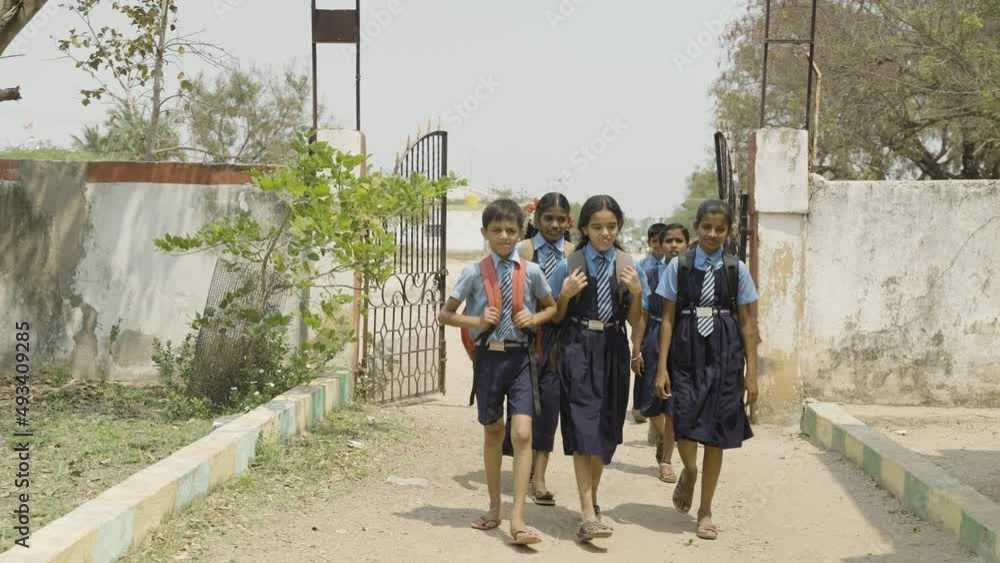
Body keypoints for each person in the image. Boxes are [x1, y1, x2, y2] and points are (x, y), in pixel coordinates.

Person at [438, 199, 557, 545]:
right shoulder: (474, 273)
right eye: (496, 230)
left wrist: (533, 318)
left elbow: (551, 308)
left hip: (521, 359)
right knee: (493, 430)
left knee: (522, 433)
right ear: (484, 233)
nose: (504, 236)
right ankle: (495, 507)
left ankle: (517, 518)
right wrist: (476, 320)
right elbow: (445, 315)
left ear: (520, 233)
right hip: (489, 359)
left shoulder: (532, 272)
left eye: (510, 230)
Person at [654, 199, 759, 541]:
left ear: (729, 232)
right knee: (683, 425)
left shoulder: (735, 269)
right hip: (686, 352)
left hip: (726, 354)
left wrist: (752, 373)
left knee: (717, 435)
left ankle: (705, 510)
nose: (712, 234)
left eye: (720, 229)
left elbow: (747, 324)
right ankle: (689, 469)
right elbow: (667, 320)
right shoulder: (680, 266)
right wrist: (661, 369)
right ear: (696, 227)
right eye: (706, 227)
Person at [548, 195, 644, 541]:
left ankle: (592, 499)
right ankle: (587, 512)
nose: (605, 233)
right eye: (597, 227)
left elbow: (635, 321)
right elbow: (557, 317)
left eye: (611, 227)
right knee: (582, 425)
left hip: (613, 348)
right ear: (584, 228)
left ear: (619, 228)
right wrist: (565, 294)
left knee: (606, 428)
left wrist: (636, 293)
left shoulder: (626, 263)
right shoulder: (570, 263)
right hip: (578, 346)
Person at [502, 193, 574, 507]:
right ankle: (523, 463)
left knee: (550, 404)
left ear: (569, 222)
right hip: (524, 336)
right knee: (522, 404)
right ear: (537, 219)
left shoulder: (574, 254)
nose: (555, 225)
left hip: (560, 339)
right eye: (549, 219)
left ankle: (539, 476)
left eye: (561, 219)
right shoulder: (523, 250)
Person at [632, 223, 689, 484]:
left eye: (679, 241)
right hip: (654, 334)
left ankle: (666, 460)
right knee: (649, 401)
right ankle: (665, 438)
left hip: (683, 337)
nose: (674, 246)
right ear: (659, 245)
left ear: (688, 245)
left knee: (673, 403)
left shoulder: (692, 273)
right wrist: (636, 349)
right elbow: (642, 314)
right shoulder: (649, 272)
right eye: (669, 241)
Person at [630, 223, 669, 423]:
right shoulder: (643, 268)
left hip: (671, 328)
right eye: (655, 241)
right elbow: (641, 311)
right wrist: (636, 346)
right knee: (648, 372)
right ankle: (645, 411)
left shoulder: (677, 267)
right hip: (650, 327)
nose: (659, 246)